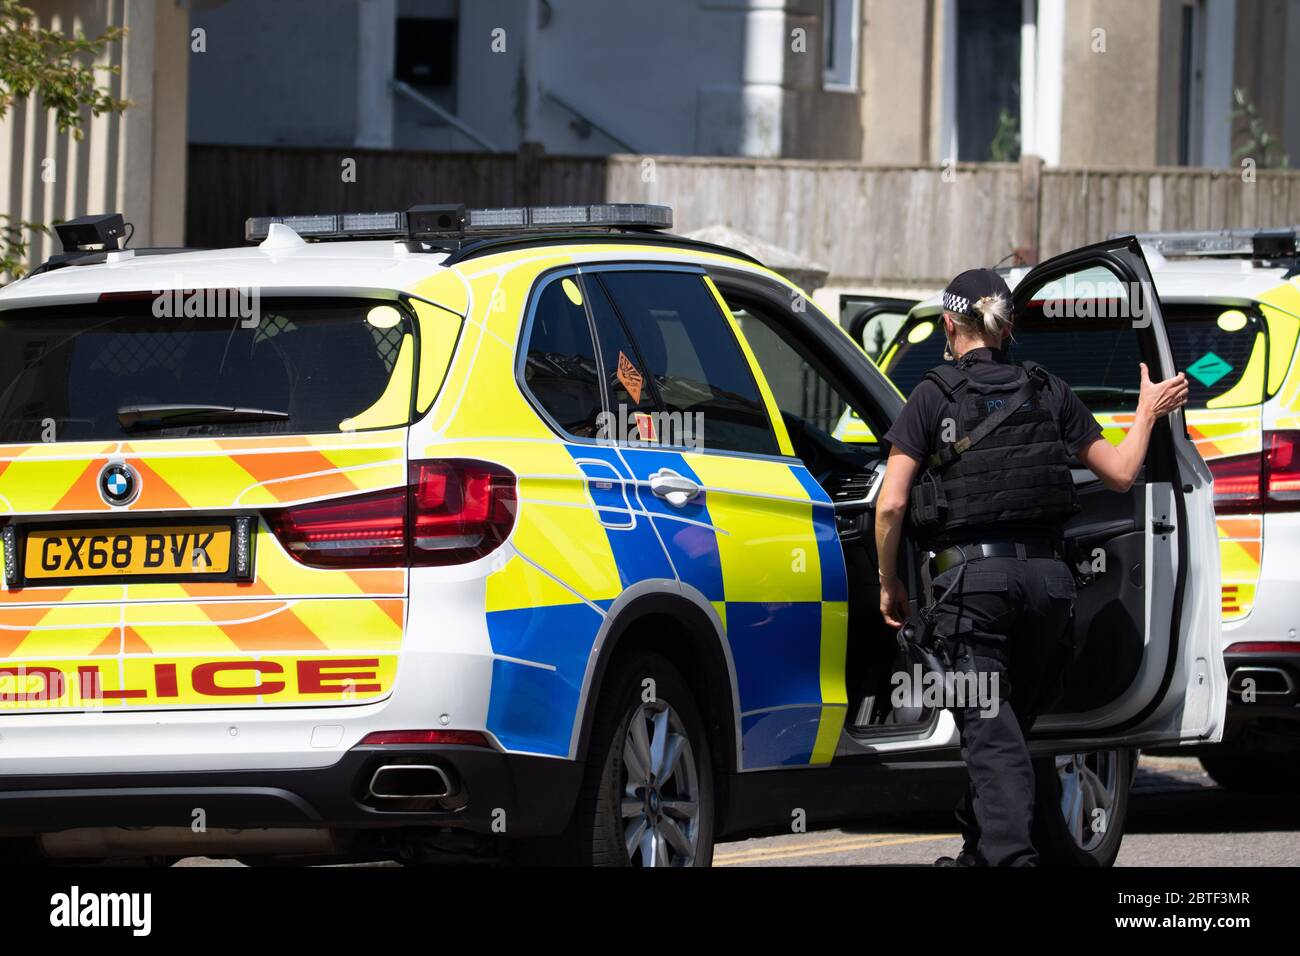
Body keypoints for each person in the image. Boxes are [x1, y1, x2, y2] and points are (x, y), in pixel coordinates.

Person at [873, 267, 1189, 867]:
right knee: (1008, 732)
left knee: (992, 738)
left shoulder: (931, 395)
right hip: (1050, 589)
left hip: (974, 592)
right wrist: (1146, 412)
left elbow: (890, 503)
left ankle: (1012, 860)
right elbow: (1121, 474)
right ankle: (978, 854)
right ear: (1006, 325)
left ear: (949, 324)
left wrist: (889, 582)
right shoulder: (1048, 389)